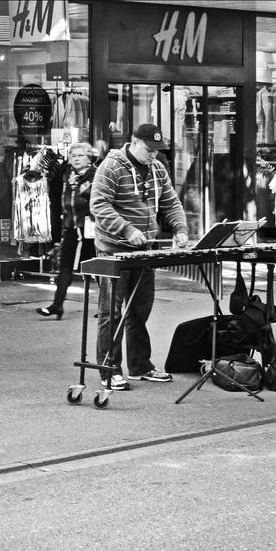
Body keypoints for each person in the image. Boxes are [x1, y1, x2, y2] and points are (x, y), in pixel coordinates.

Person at [90, 123, 189, 391]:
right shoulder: (111, 167)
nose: (153, 155)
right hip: (113, 249)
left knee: (140, 310)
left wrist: (180, 228)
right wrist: (126, 229)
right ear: (133, 142)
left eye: (157, 150)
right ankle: (109, 368)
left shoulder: (157, 168)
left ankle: (139, 365)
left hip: (145, 250)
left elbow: (170, 202)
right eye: (149, 149)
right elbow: (98, 204)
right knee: (112, 312)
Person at [36, 142, 97, 320]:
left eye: (80, 155)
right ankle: (57, 305)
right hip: (72, 226)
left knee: (97, 268)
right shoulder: (67, 173)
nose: (76, 159)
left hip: (90, 229)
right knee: (65, 267)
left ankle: (108, 306)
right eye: (72, 156)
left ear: (88, 158)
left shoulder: (96, 175)